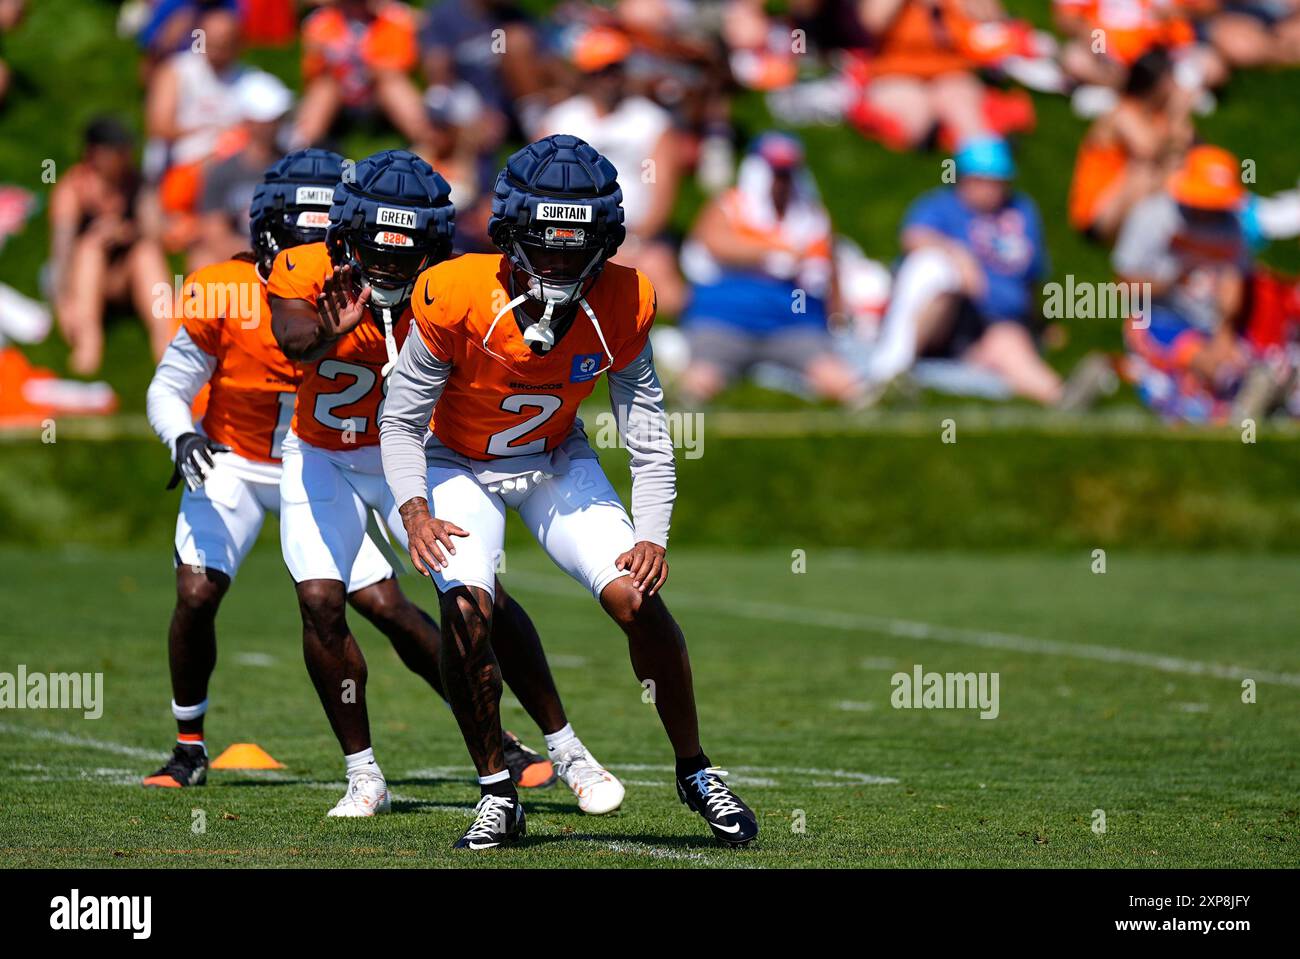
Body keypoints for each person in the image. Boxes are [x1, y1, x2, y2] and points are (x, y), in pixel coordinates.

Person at [143, 148, 592, 806]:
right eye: (299, 234)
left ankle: (516, 738)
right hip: (243, 458)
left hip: (388, 457)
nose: (310, 245)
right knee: (202, 590)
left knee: (445, 596)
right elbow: (186, 377)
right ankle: (192, 745)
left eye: (319, 232)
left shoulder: (434, 283)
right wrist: (181, 432)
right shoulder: (234, 287)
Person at [377, 134, 760, 850]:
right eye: (541, 246)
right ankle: (499, 790)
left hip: (555, 459)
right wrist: (415, 505)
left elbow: (647, 433)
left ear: (603, 242)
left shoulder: (625, 299)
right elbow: (398, 420)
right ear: (510, 235)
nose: (555, 262)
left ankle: (696, 770)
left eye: (571, 247)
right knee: (465, 610)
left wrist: (653, 532)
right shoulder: (455, 291)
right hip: (456, 462)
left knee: (637, 598)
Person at [267, 149, 627, 817]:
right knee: (320, 599)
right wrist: (326, 333)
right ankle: (363, 772)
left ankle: (563, 743)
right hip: (324, 454)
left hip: (418, 452)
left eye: (403, 257)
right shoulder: (306, 268)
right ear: (345, 237)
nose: (388, 270)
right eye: (376, 252)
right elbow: (291, 341)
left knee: (474, 596)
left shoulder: (452, 284)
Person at [867, 137, 1069, 404]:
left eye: (999, 181)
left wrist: (1040, 324)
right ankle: (893, 370)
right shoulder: (941, 206)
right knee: (934, 271)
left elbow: (1031, 278)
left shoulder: (1022, 209)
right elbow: (914, 238)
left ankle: (1060, 396)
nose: (993, 189)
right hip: (949, 317)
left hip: (995, 323)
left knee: (1010, 345)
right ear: (965, 178)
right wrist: (958, 255)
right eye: (985, 180)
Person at [677, 132, 864, 407]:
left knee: (841, 381)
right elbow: (714, 243)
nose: (781, 182)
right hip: (725, 321)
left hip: (793, 326)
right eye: (776, 173)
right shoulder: (728, 207)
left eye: (787, 173)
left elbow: (829, 272)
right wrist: (774, 251)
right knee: (700, 382)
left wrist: (837, 320)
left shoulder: (813, 217)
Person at [538, 25, 685, 314]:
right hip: (571, 233)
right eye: (602, 70)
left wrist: (635, 239)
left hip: (636, 236)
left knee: (670, 295)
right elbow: (539, 186)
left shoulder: (652, 122)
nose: (610, 78)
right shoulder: (559, 120)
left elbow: (663, 191)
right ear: (587, 74)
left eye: (616, 68)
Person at [1114, 144, 1255, 420]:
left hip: (1211, 325)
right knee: (1201, 360)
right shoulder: (1153, 216)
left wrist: (1224, 334)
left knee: (1235, 361)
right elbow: (1123, 285)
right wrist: (1174, 280)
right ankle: (1229, 396)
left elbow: (1233, 281)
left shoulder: (1232, 225)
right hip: (1157, 319)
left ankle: (1242, 395)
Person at [48, 116, 172, 375]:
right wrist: (62, 304)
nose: (126, 156)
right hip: (84, 281)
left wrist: (126, 231)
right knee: (89, 247)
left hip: (127, 279)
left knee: (146, 253)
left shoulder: (137, 184)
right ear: (95, 153)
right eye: (118, 151)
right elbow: (60, 254)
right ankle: (88, 340)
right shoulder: (72, 190)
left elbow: (157, 235)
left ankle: (166, 339)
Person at [1069, 45, 1196, 243]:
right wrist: (1178, 115)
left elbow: (1185, 145)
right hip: (1098, 212)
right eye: (1171, 79)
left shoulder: (1158, 116)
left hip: (1125, 200)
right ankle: (1146, 237)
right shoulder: (1122, 113)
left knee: (1177, 163)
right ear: (1159, 83)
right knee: (1144, 169)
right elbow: (1148, 149)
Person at [190, 70, 294, 270]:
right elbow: (214, 234)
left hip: (286, 260)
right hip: (242, 258)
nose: (277, 123)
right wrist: (261, 255)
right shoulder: (222, 172)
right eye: (271, 118)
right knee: (201, 260)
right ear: (249, 122)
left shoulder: (294, 170)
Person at [294, 0, 433, 149]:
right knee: (324, 86)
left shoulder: (391, 17)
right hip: (339, 92)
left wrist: (389, 9)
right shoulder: (322, 21)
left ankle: (428, 142)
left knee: (392, 82)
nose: (356, 6)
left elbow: (426, 25)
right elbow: (313, 68)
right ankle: (300, 146)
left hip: (378, 91)